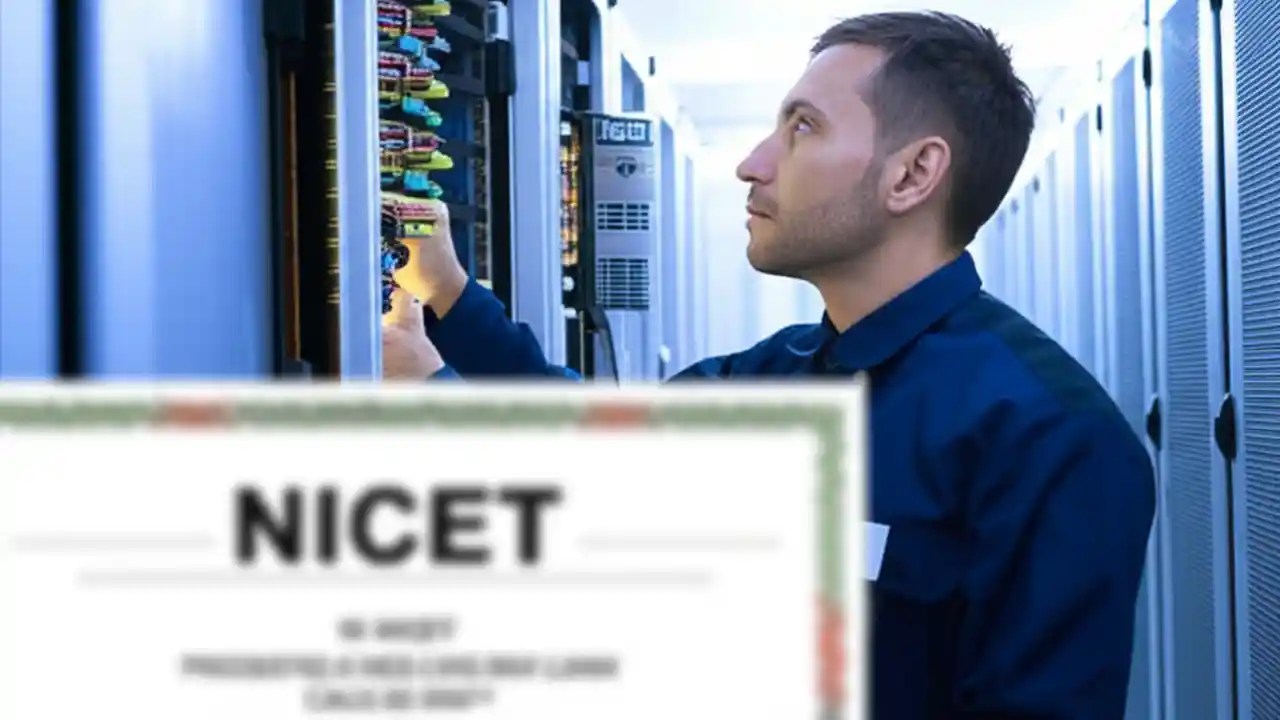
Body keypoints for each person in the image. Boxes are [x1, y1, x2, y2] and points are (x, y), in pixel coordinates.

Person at [382, 11, 1156, 719]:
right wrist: (449, 294)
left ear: (913, 175)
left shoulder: (1054, 441)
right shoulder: (776, 376)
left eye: (802, 129)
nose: (753, 164)